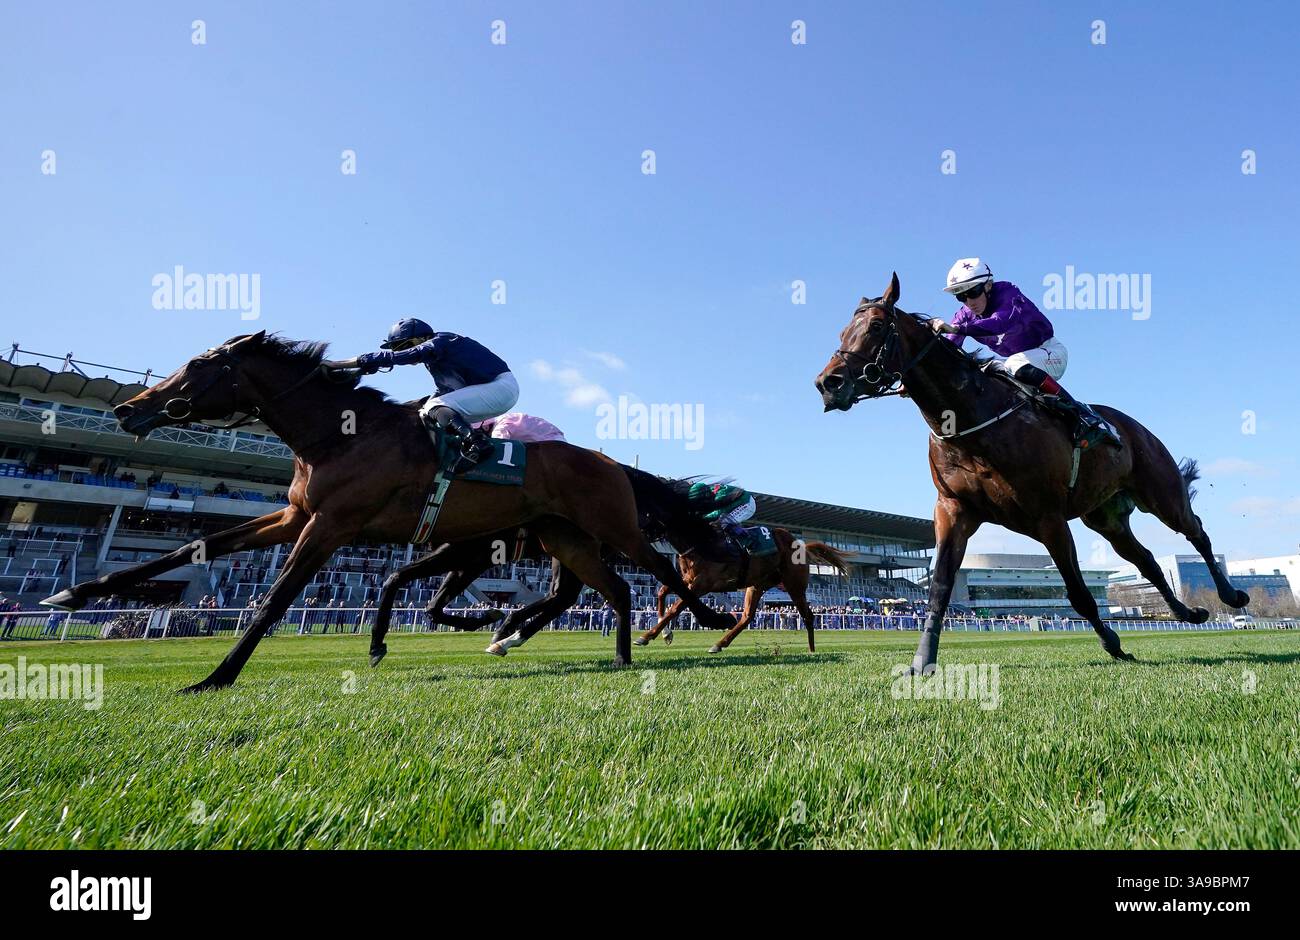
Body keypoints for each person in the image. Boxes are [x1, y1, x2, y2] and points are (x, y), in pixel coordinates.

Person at [930, 258, 1121, 447]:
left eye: (973, 292)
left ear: (988, 286)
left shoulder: (1008, 293)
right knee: (989, 374)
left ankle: (1083, 415)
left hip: (1049, 352)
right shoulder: (964, 315)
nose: (969, 302)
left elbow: (1000, 323)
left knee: (1014, 364)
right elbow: (948, 348)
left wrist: (957, 329)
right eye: (961, 296)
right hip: (1019, 362)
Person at [327, 318, 519, 472]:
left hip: (500, 387)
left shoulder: (442, 341)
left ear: (420, 338)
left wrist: (338, 365)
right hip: (494, 390)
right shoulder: (436, 361)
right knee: (425, 412)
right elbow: (445, 392)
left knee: (433, 407)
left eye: (403, 345)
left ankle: (476, 442)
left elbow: (401, 357)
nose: (401, 351)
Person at [687, 480, 756, 547]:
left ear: (704, 495)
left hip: (747, 504)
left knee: (724, 522)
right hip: (738, 502)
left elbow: (719, 512)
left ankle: (749, 539)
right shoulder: (709, 491)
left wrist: (701, 518)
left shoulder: (720, 495)